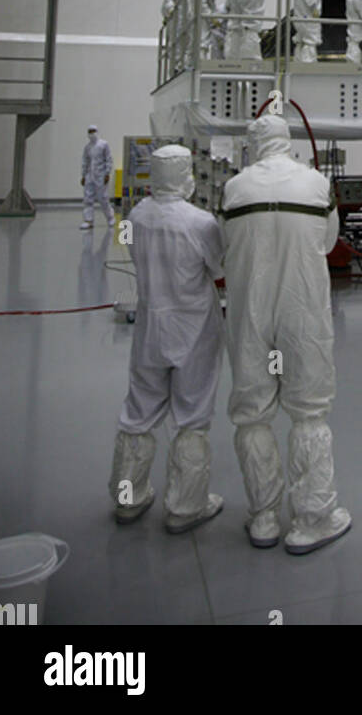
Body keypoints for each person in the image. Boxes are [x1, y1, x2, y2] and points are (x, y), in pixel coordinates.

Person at [220, 114, 351, 553]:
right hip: (302, 312)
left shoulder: (234, 188)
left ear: (253, 145)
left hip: (251, 315)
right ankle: (312, 519)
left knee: (253, 411)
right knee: (309, 411)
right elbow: (329, 243)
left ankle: (263, 518)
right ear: (287, 141)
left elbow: (225, 245)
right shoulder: (315, 183)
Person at [108, 145, 225, 533]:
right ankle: (186, 507)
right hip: (193, 330)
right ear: (186, 174)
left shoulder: (137, 215)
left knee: (138, 412)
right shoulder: (200, 222)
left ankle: (128, 499)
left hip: (149, 328)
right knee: (191, 416)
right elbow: (219, 266)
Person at [80, 124, 114, 230]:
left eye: (93, 131)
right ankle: (88, 221)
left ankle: (110, 217)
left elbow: (108, 159)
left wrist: (107, 173)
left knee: (103, 198)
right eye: (90, 131)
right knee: (88, 198)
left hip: (101, 175)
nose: (92, 133)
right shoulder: (87, 147)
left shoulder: (103, 144)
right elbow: (85, 161)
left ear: (97, 131)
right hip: (90, 175)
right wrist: (83, 175)